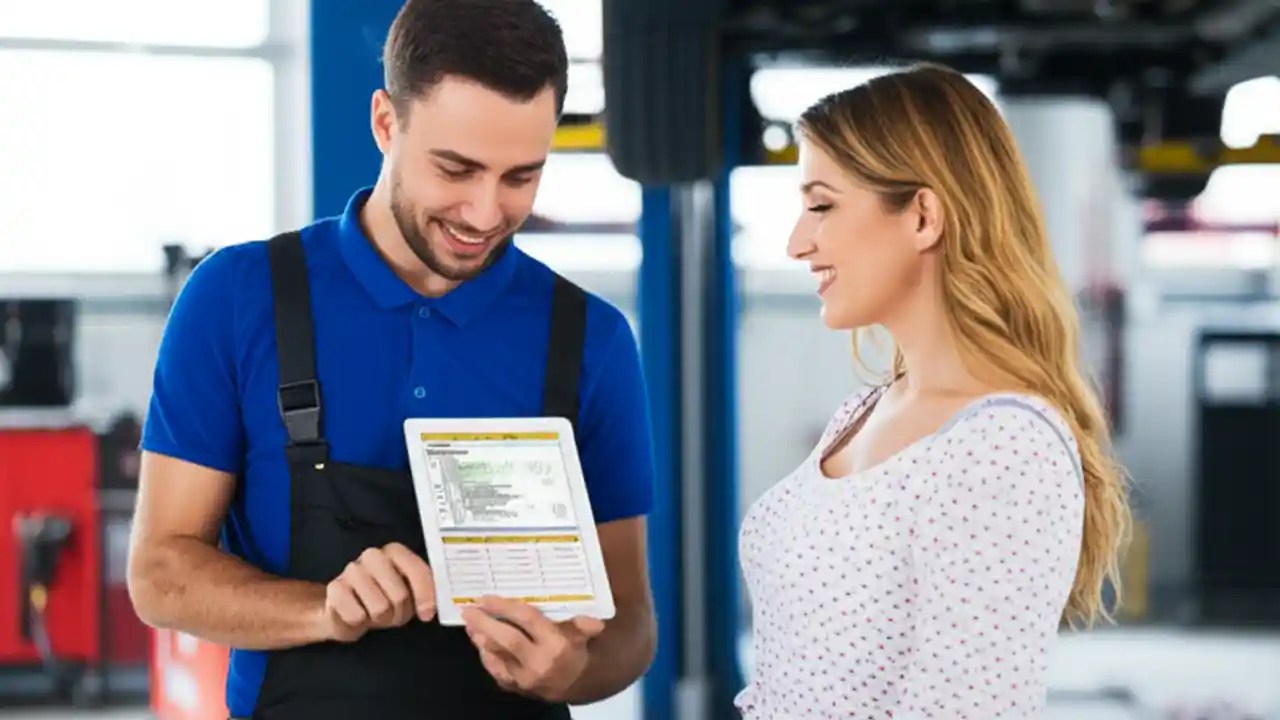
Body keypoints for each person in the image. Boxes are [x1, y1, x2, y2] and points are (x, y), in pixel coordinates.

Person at [125, 1, 657, 718]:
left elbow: (630, 624)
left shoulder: (591, 339)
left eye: (520, 177)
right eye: (455, 169)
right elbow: (160, 572)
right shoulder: (238, 297)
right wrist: (324, 610)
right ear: (386, 122)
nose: (483, 212)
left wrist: (572, 670)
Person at [736, 63, 1131, 719]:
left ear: (922, 216)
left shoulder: (1005, 448)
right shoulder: (861, 412)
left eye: (822, 206)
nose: (797, 241)